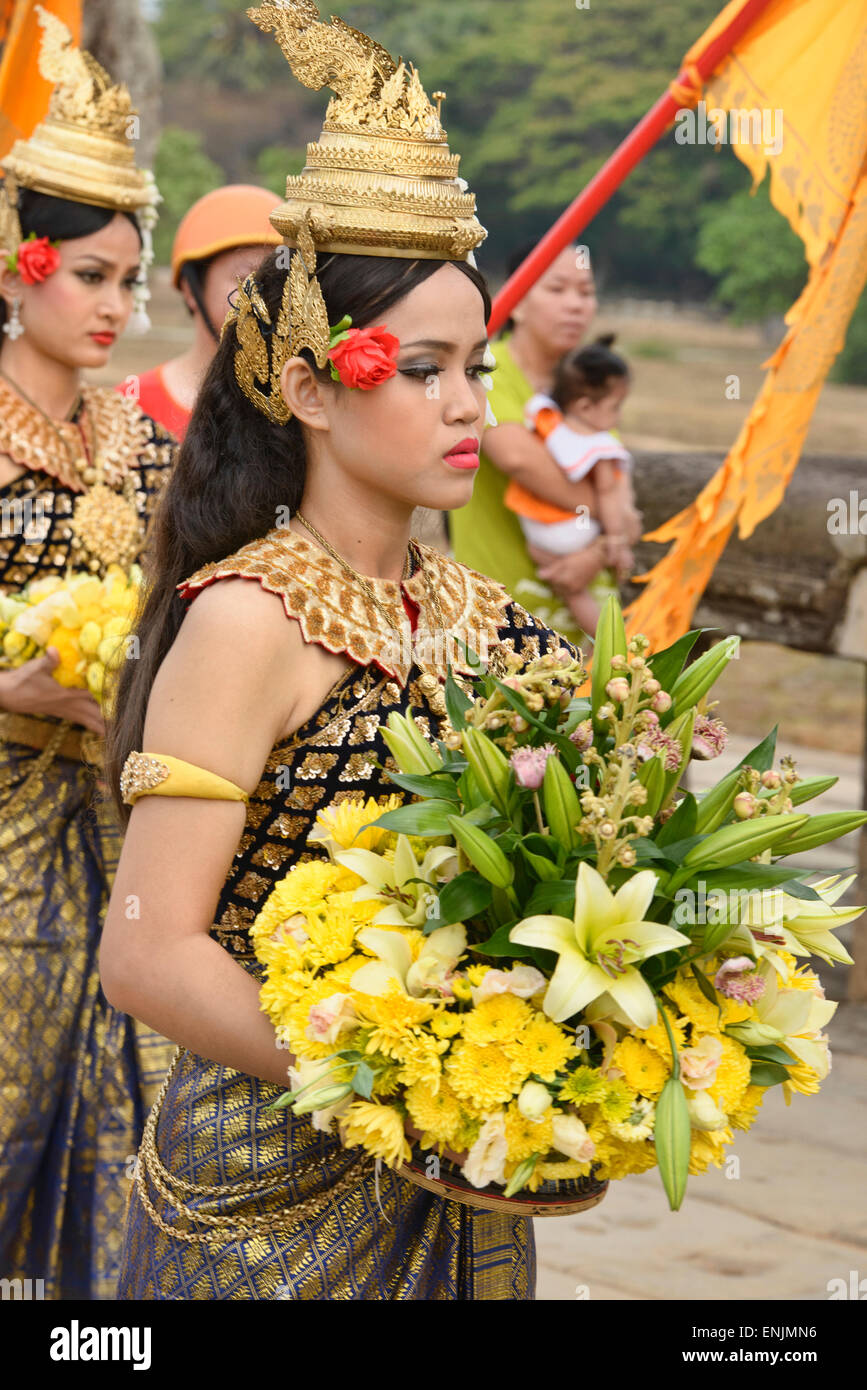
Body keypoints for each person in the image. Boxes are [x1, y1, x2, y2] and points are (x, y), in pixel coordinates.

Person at [98, 3, 588, 1302]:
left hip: (475, 1183)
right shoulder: (246, 618)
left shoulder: (487, 618)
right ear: (310, 386)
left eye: (475, 368)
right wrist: (393, 1082)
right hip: (271, 1192)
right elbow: (147, 952)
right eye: (420, 367)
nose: (464, 404)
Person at [0, 12, 176, 1300]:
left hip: (115, 823)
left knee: (125, 1112)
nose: (119, 307)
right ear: (22, 266)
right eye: (93, 279)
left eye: (133, 280)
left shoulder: (145, 442)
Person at [450, 241, 611, 643]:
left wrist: (601, 551)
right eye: (557, 289)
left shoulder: (591, 387)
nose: (575, 304)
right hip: (501, 617)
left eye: (586, 292)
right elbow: (521, 461)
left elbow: (615, 476)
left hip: (590, 615)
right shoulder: (487, 370)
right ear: (516, 303)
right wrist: (616, 516)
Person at [122, 185, 282, 441]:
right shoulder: (132, 404)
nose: (263, 298)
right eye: (245, 279)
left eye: (275, 281)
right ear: (190, 289)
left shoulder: (302, 404)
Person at [504, 337, 641, 634]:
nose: (617, 416)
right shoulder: (600, 448)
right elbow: (606, 493)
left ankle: (552, 575)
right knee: (577, 592)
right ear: (585, 406)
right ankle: (607, 640)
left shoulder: (546, 418)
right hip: (571, 535)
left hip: (536, 530)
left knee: (559, 574)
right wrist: (616, 540)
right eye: (615, 407)